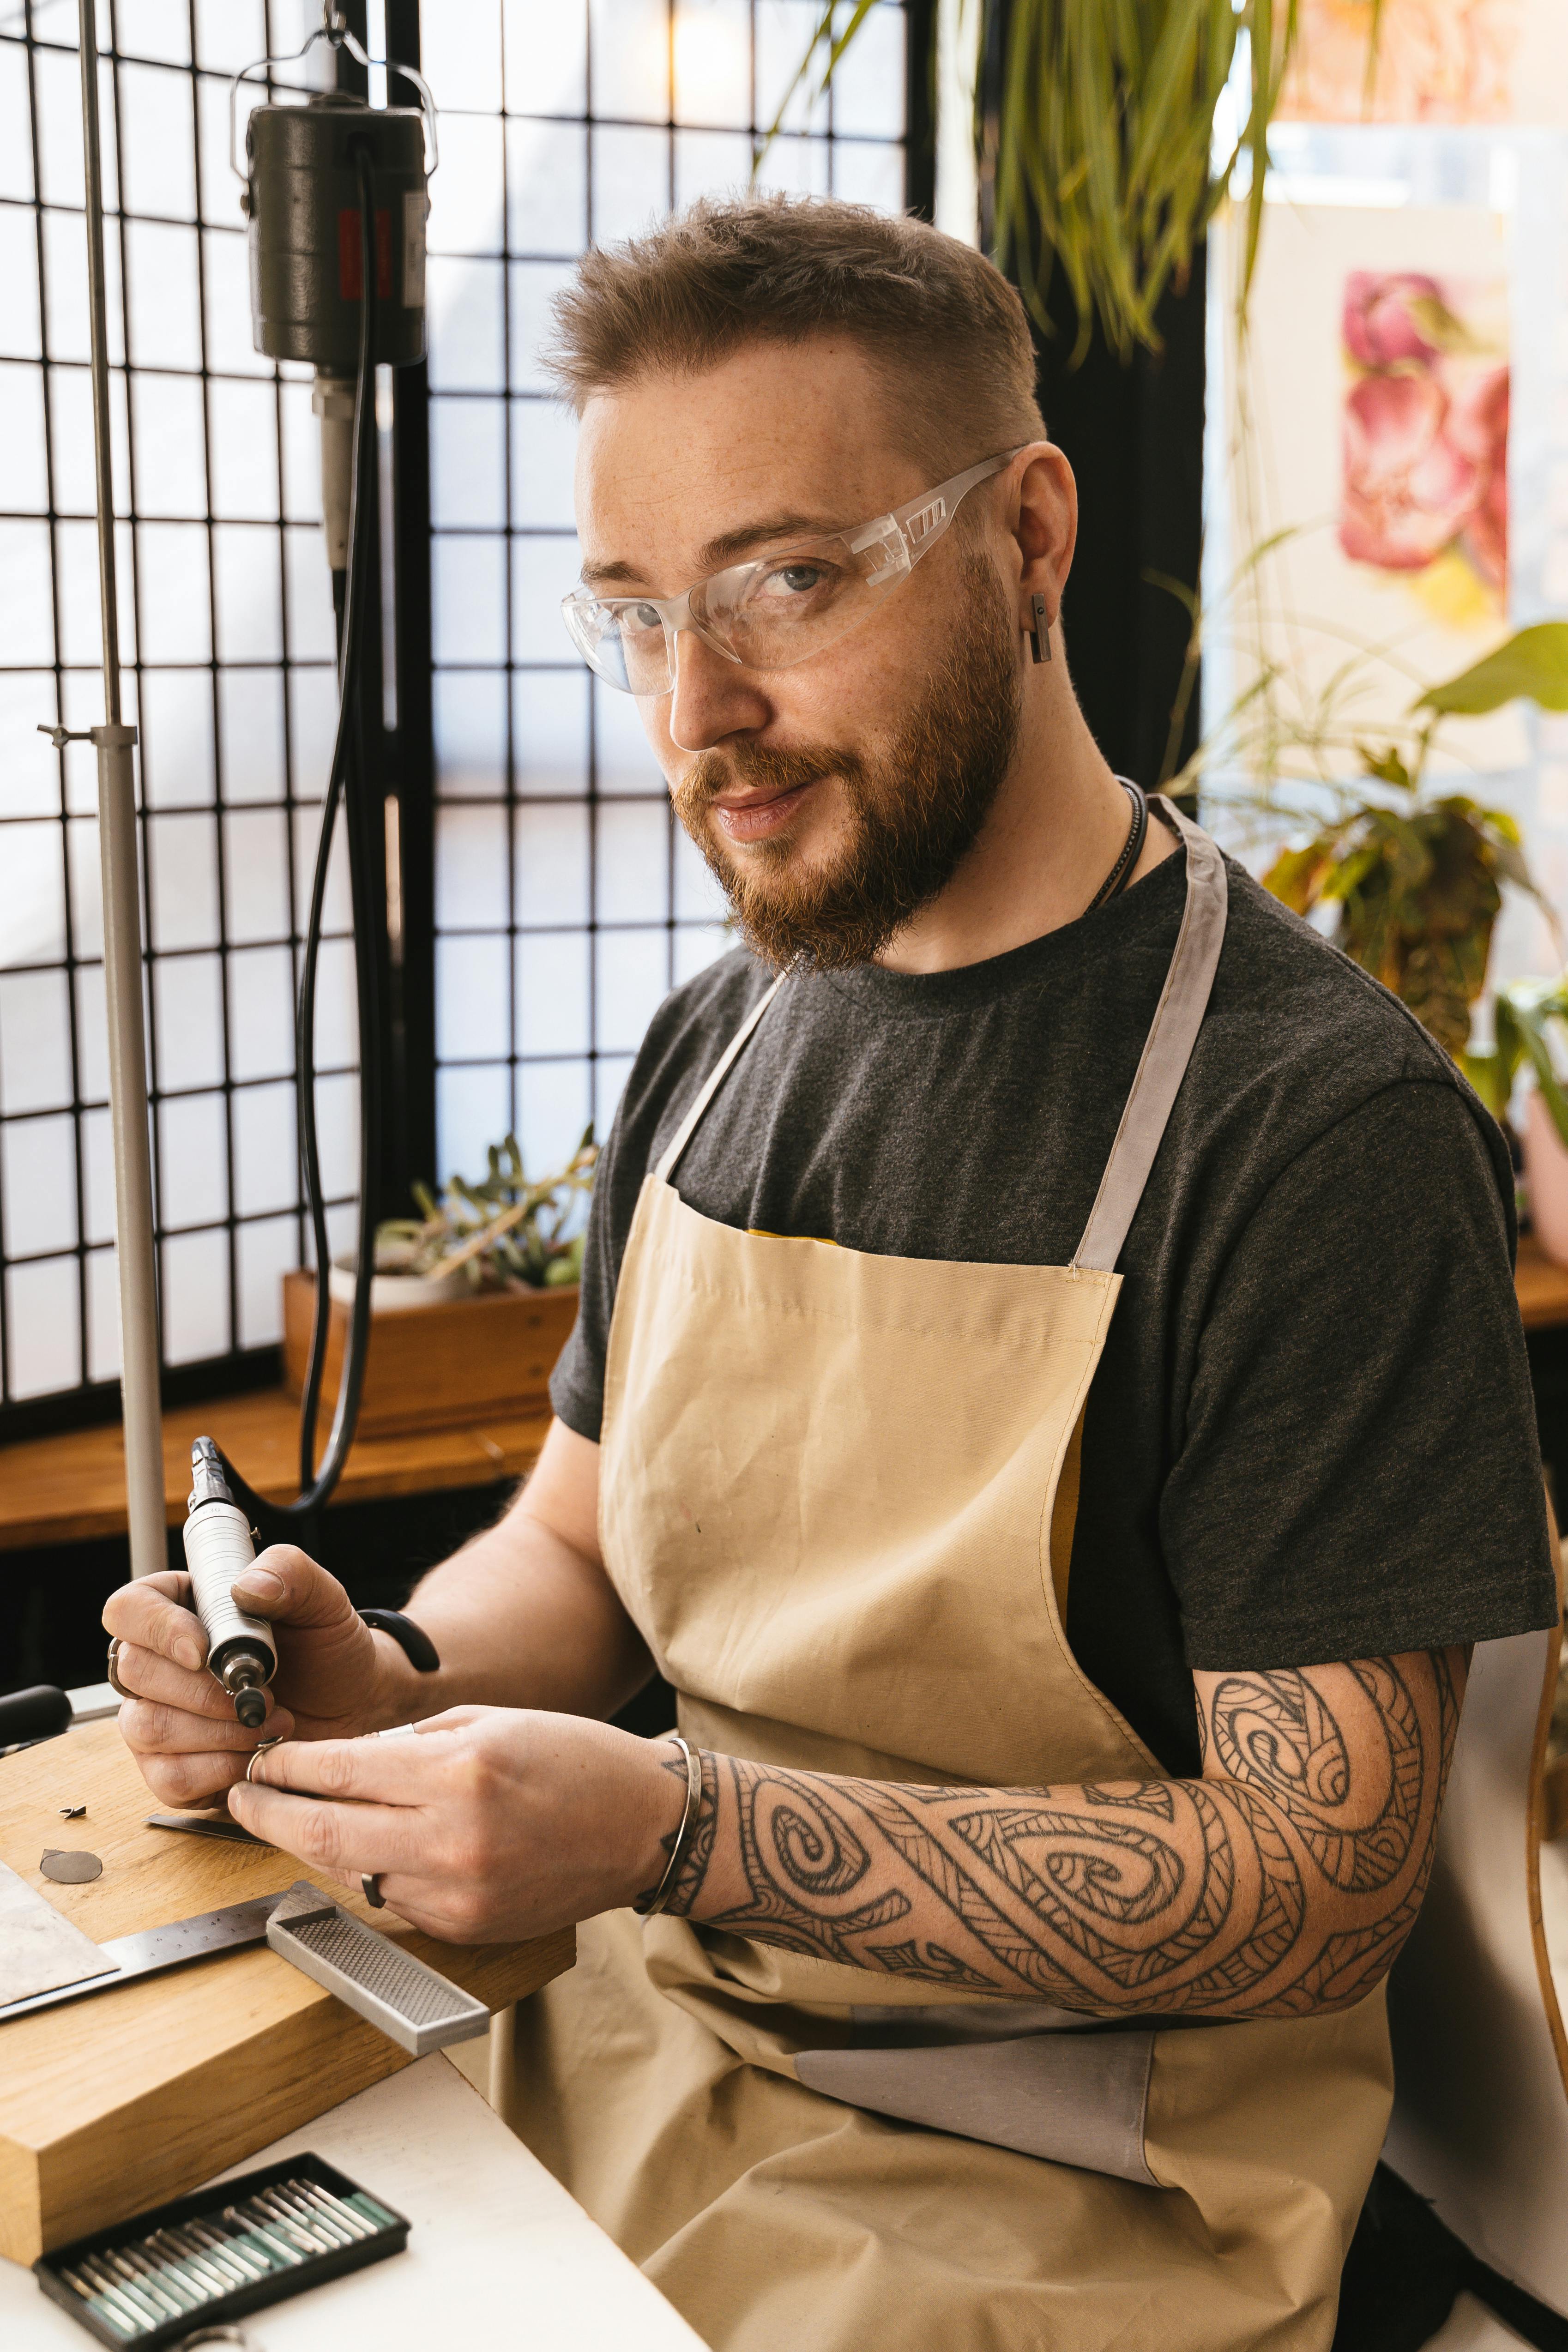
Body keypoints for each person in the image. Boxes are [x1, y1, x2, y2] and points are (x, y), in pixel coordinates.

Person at [106, 195, 1558, 2352]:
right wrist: (397, 1671)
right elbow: (586, 1552)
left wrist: (679, 1827)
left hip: (1087, 2188)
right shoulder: (726, 1036)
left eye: (789, 579)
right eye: (638, 613)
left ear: (1032, 537)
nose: (703, 711)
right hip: (651, 2039)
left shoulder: (1308, 1129)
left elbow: (1316, 1880)